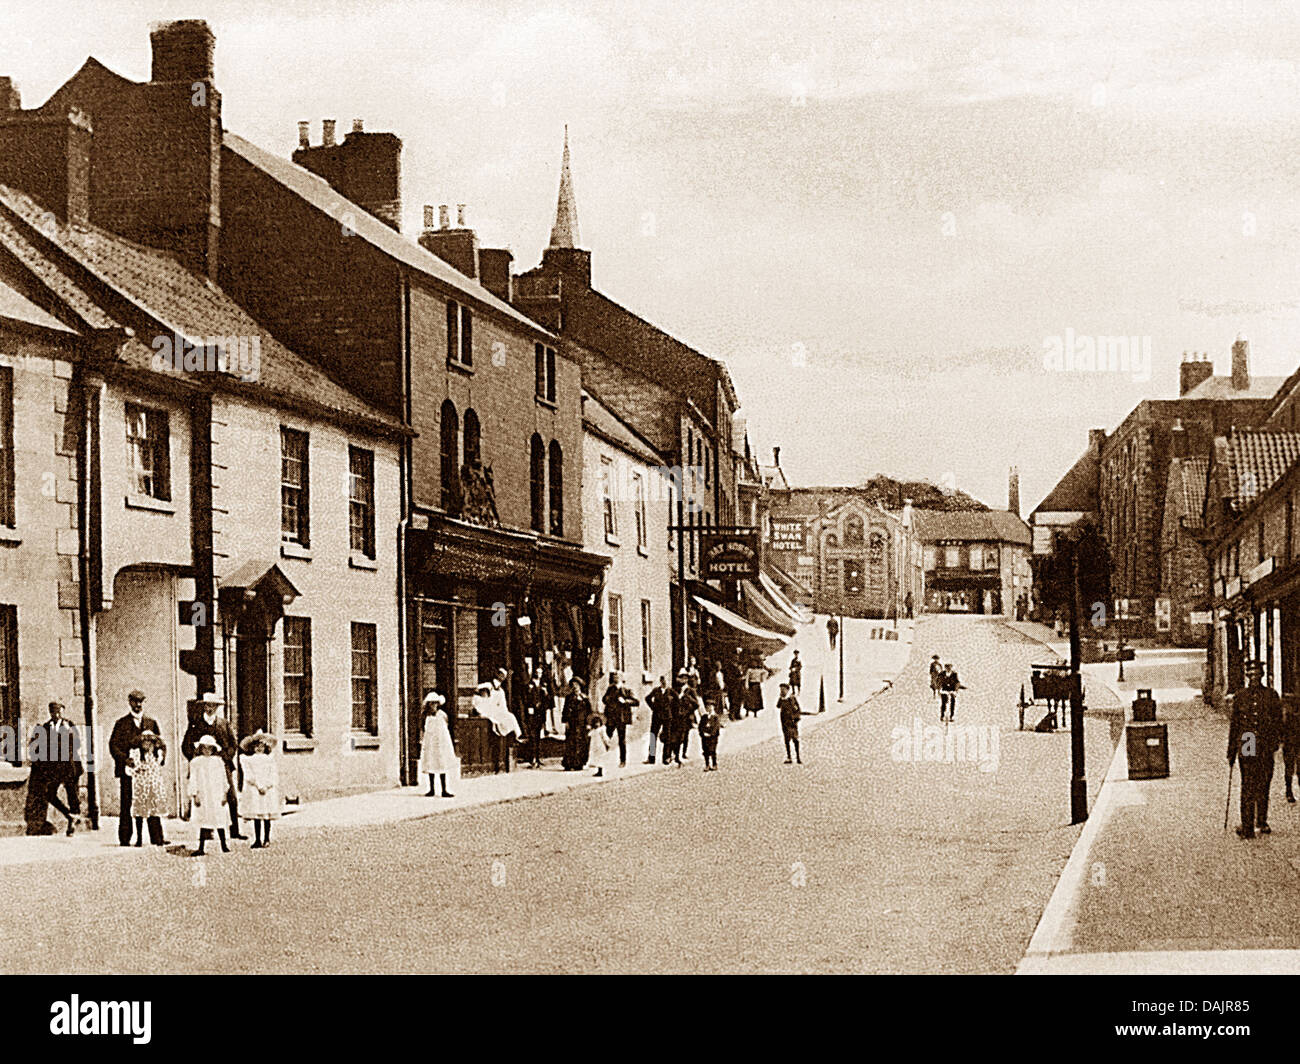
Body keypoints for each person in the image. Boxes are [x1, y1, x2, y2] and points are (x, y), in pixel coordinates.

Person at [1228, 660, 1283, 839]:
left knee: (1264, 782)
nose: (1254, 677)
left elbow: (1277, 722)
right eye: (1250, 674)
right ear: (1247, 676)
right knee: (1248, 784)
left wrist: (1275, 743)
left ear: (1262, 676)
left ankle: (1262, 820)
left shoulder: (1271, 695)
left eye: (1257, 674)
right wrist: (1231, 751)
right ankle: (1247, 826)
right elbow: (1235, 725)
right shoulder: (1241, 696)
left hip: (1265, 743)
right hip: (1247, 741)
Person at [181, 696, 246, 840]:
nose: (211, 708)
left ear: (217, 708)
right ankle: (206, 832)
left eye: (214, 706)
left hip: (222, 766)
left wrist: (224, 758)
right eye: (208, 705)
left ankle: (234, 830)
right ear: (204, 707)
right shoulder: (196, 724)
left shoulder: (224, 724)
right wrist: (196, 759)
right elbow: (186, 745)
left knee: (231, 796)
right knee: (204, 797)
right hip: (203, 767)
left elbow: (233, 745)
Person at [109, 690, 163, 847]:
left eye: (141, 701)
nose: (138, 705)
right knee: (127, 803)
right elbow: (113, 745)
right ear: (129, 702)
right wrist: (125, 760)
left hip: (148, 771)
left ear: (144, 702)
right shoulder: (121, 723)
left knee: (151, 801)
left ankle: (157, 837)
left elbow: (159, 743)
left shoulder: (151, 723)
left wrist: (159, 758)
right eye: (134, 701)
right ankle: (125, 838)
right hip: (130, 771)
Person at [25, 701, 82, 837]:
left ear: (62, 711)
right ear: (50, 713)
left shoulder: (69, 725)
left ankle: (71, 824)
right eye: (53, 712)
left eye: (58, 711)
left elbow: (77, 744)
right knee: (50, 794)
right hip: (55, 769)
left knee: (72, 795)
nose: (56, 714)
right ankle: (69, 815)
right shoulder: (45, 727)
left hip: (70, 767)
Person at [188, 735, 231, 856]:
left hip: (216, 793)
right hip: (203, 793)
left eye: (209, 748)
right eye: (204, 748)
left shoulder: (218, 761)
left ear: (213, 749)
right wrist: (195, 794)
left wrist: (224, 793)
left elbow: (223, 777)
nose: (207, 751)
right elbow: (193, 779)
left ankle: (224, 844)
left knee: (219, 818)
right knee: (204, 819)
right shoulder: (196, 762)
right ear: (200, 749)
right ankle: (201, 847)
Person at [239, 731, 281, 847]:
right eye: (256, 746)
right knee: (257, 814)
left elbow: (273, 774)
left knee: (266, 814)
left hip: (267, 789)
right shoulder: (249, 760)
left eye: (261, 746)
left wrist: (267, 786)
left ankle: (266, 838)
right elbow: (248, 775)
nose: (259, 748)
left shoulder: (269, 760)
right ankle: (257, 839)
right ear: (253, 748)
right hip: (255, 788)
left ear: (265, 747)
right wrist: (258, 785)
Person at [130, 730, 169, 847]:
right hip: (141, 786)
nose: (147, 745)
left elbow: (163, 747)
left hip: (154, 786)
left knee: (155, 812)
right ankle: (139, 838)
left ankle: (158, 838)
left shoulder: (157, 755)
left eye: (150, 742)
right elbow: (132, 769)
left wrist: (158, 742)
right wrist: (136, 770)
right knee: (140, 812)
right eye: (145, 742)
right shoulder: (136, 754)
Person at [419, 692, 458, 797]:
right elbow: (423, 729)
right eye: (431, 704)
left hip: (441, 742)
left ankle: (444, 789)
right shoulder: (425, 716)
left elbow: (446, 726)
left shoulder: (442, 715)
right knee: (431, 764)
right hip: (430, 743)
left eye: (435, 704)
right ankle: (431, 789)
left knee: (442, 764)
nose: (433, 706)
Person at [601, 671, 639, 768]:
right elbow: (604, 699)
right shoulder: (610, 689)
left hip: (621, 719)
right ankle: (600, 759)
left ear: (621, 678)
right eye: (614, 677)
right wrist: (608, 699)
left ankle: (623, 760)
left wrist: (625, 701)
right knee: (606, 737)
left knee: (622, 740)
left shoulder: (626, 690)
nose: (615, 678)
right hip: (611, 718)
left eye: (617, 677)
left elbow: (636, 702)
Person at [521, 667, 551, 768]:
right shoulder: (529, 684)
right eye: (537, 672)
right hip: (532, 713)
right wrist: (530, 707)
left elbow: (547, 699)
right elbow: (526, 698)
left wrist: (545, 692)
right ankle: (532, 758)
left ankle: (538, 757)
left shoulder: (543, 685)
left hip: (540, 713)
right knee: (533, 735)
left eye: (540, 673)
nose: (539, 674)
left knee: (539, 735)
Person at [561, 677, 592, 771]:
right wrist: (565, 721)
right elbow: (565, 710)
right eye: (573, 686)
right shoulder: (569, 698)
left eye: (577, 686)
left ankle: (579, 763)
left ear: (580, 686)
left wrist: (588, 723)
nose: (575, 688)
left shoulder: (585, 698)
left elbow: (589, 712)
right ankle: (569, 763)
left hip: (582, 723)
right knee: (570, 743)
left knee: (581, 743)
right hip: (572, 723)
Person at [645, 676, 675, 764]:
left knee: (667, 737)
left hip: (667, 717)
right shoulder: (656, 690)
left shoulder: (671, 691)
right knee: (653, 736)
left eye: (666, 680)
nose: (664, 682)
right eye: (663, 681)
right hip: (656, 716)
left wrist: (672, 711)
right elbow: (647, 698)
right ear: (660, 681)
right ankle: (651, 758)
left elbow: (677, 702)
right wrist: (653, 707)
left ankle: (666, 757)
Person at [672, 673, 699, 764]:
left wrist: (689, 710)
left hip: (687, 716)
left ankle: (683, 752)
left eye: (683, 679)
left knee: (685, 735)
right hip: (677, 716)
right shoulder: (676, 690)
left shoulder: (690, 691)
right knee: (677, 735)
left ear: (686, 680)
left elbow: (696, 704)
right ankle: (676, 754)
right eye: (680, 679)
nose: (681, 681)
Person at [778, 682, 803, 764]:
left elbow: (797, 708)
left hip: (792, 721)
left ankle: (798, 757)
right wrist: (780, 698)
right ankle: (789, 757)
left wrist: (796, 717)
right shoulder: (782, 698)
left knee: (795, 739)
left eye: (783, 689)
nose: (782, 691)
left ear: (787, 690)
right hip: (784, 721)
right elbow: (778, 706)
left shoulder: (791, 698)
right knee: (786, 739)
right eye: (781, 690)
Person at [586, 710, 612, 777]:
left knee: (600, 759)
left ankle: (600, 771)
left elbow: (605, 737)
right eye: (595, 723)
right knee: (596, 758)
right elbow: (589, 735)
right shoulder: (593, 731)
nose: (597, 724)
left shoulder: (601, 730)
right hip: (594, 747)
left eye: (598, 723)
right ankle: (598, 770)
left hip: (600, 746)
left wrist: (607, 743)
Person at [1284, 696, 1300, 804]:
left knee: (1295, 768)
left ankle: (1289, 791)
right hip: (1290, 744)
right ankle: (1288, 791)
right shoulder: (1288, 717)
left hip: (1293, 744)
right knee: (1290, 768)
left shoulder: (1288, 716)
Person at [698, 700, 721, 771]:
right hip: (705, 737)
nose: (709, 708)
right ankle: (707, 764)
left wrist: (711, 734)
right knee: (705, 751)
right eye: (708, 707)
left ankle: (714, 764)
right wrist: (702, 733)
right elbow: (700, 726)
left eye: (711, 707)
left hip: (712, 738)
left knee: (712, 750)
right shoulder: (704, 717)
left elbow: (716, 727)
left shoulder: (715, 717)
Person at [727, 650, 746, 721]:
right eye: (735, 656)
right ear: (732, 657)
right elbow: (729, 677)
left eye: (738, 656)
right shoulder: (730, 666)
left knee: (740, 699)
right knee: (733, 700)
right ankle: (732, 714)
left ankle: (737, 713)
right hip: (733, 685)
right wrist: (739, 678)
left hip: (739, 685)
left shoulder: (739, 665)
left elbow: (741, 674)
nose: (737, 658)